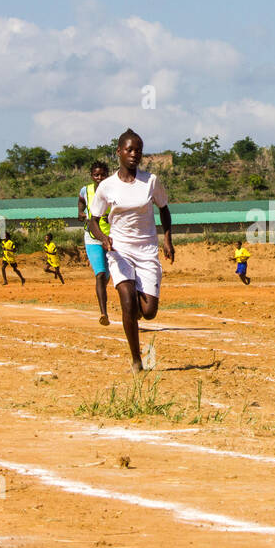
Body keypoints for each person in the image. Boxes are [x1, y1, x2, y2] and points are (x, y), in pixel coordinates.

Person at [88, 128, 174, 372]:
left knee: (148, 312)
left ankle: (136, 307)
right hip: (119, 249)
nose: (134, 154)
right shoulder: (107, 186)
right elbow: (93, 220)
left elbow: (164, 209)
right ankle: (136, 360)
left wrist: (167, 240)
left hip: (147, 250)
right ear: (119, 152)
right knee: (127, 300)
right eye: (129, 149)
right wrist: (104, 238)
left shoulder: (151, 181)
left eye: (138, 150)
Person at [79, 161, 113, 325]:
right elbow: (81, 200)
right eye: (96, 175)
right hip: (93, 237)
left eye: (103, 174)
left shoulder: (115, 189)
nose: (99, 178)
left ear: (108, 174)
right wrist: (80, 211)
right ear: (91, 176)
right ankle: (103, 313)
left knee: (109, 276)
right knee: (99, 275)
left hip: (113, 238)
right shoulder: (86, 190)